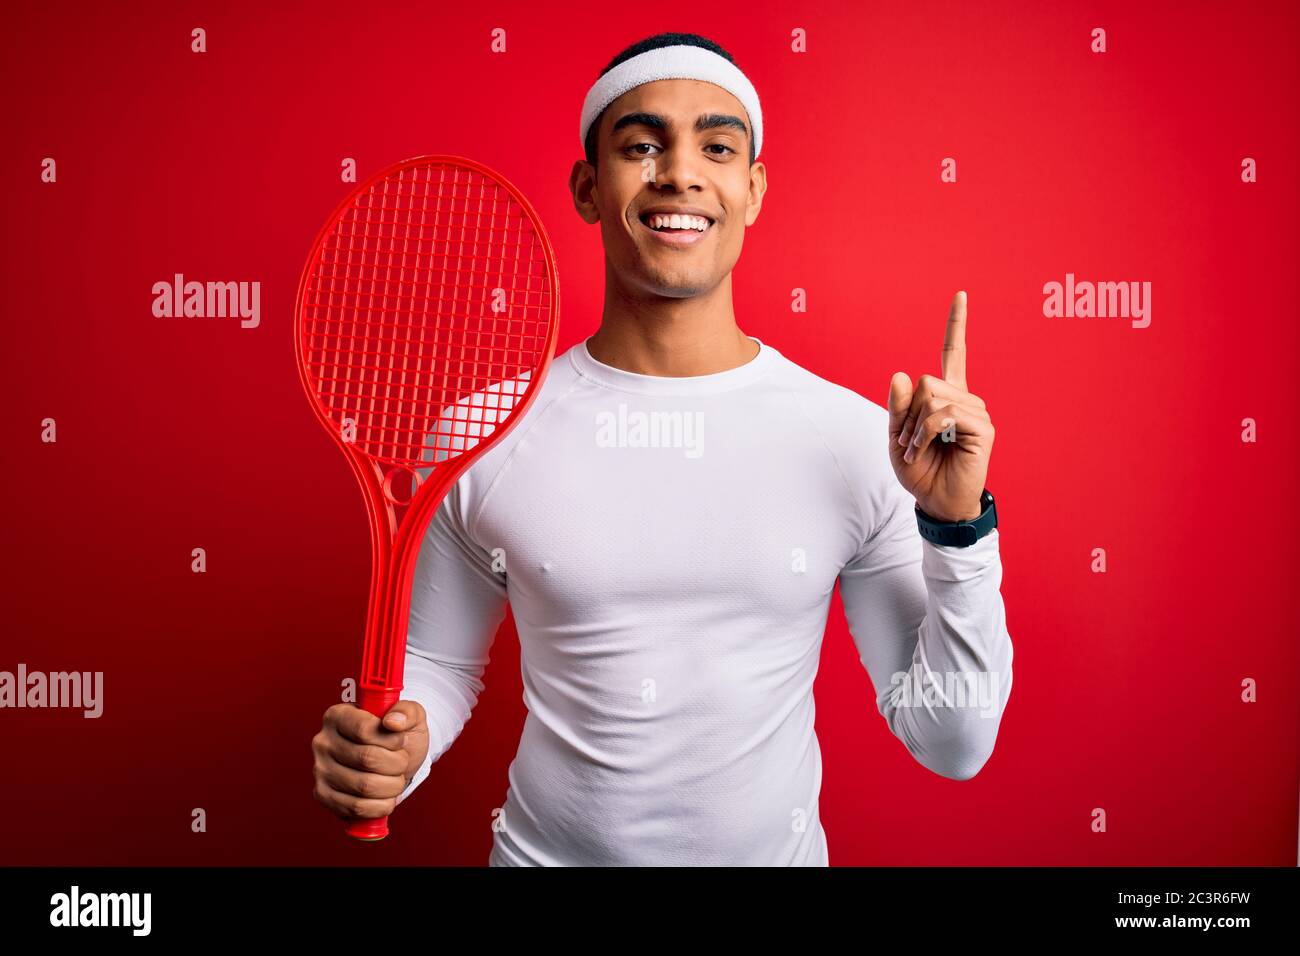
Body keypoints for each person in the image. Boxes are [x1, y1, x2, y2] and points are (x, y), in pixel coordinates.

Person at [311, 31, 1012, 866]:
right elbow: (435, 665)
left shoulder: (857, 440)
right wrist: (394, 753)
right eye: (641, 145)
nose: (680, 173)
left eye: (716, 147)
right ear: (587, 187)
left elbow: (952, 741)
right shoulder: (482, 435)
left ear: (751, 190)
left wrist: (957, 525)